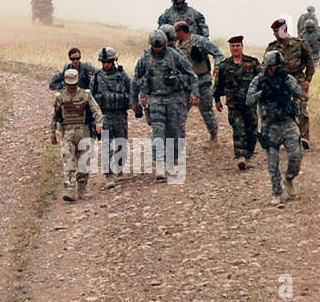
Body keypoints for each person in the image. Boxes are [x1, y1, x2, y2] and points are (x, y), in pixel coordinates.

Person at [131, 29, 200, 180]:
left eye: (160, 46)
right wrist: (134, 101)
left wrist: (194, 93)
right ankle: (160, 165)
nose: (157, 49)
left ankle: (172, 162)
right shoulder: (145, 58)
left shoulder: (174, 55)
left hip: (174, 98)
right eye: (155, 47)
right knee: (158, 131)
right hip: (155, 99)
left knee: (174, 131)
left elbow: (191, 75)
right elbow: (136, 81)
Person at [247, 50, 305, 207]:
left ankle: (289, 179)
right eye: (273, 66)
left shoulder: (286, 78)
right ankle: (276, 192)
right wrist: (262, 93)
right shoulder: (259, 80)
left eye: (278, 66)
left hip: (287, 121)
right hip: (270, 125)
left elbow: (299, 92)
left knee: (296, 154)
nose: (276, 69)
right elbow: (249, 100)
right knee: (273, 163)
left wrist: (286, 80)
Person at [51, 68, 104, 202]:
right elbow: (55, 117)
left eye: (74, 85)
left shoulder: (86, 95)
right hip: (67, 132)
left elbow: (96, 110)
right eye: (70, 85)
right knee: (68, 161)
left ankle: (82, 189)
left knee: (84, 162)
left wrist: (100, 124)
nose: (72, 88)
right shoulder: (60, 97)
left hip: (84, 131)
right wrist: (52, 133)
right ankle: (70, 189)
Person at [213, 35, 261, 169]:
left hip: (250, 103)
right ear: (230, 48)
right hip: (234, 104)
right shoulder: (224, 65)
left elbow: (261, 81)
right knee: (238, 129)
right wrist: (217, 99)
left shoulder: (253, 63)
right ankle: (240, 156)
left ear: (242, 46)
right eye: (233, 46)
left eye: (237, 45)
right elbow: (218, 85)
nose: (235, 48)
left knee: (251, 130)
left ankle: (248, 155)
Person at [266, 18, 315, 150]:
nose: (274, 34)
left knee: (301, 107)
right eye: (274, 31)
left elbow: (310, 62)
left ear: (284, 30)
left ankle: (304, 138)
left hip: (298, 78)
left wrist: (307, 80)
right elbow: (266, 67)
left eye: (276, 31)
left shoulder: (300, 44)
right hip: (281, 81)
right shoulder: (272, 48)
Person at [174, 21, 224, 142]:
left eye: (175, 31)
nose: (174, 34)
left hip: (203, 82)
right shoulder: (176, 46)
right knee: (180, 112)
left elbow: (218, 53)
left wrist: (217, 66)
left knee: (206, 110)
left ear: (181, 32)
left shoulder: (199, 41)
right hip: (186, 85)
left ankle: (213, 134)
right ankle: (178, 138)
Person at [90, 47, 133, 184]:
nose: (106, 64)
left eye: (108, 61)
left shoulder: (122, 76)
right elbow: (91, 97)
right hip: (105, 116)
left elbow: (132, 91)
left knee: (121, 144)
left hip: (120, 115)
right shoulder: (97, 77)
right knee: (106, 146)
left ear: (114, 61)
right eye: (103, 62)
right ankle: (109, 175)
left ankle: (119, 169)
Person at [50, 49, 99, 137]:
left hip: (84, 100)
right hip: (70, 101)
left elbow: (99, 76)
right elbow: (52, 83)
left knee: (91, 119)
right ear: (70, 59)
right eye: (73, 59)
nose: (76, 61)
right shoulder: (67, 70)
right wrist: (64, 88)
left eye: (78, 58)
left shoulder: (87, 68)